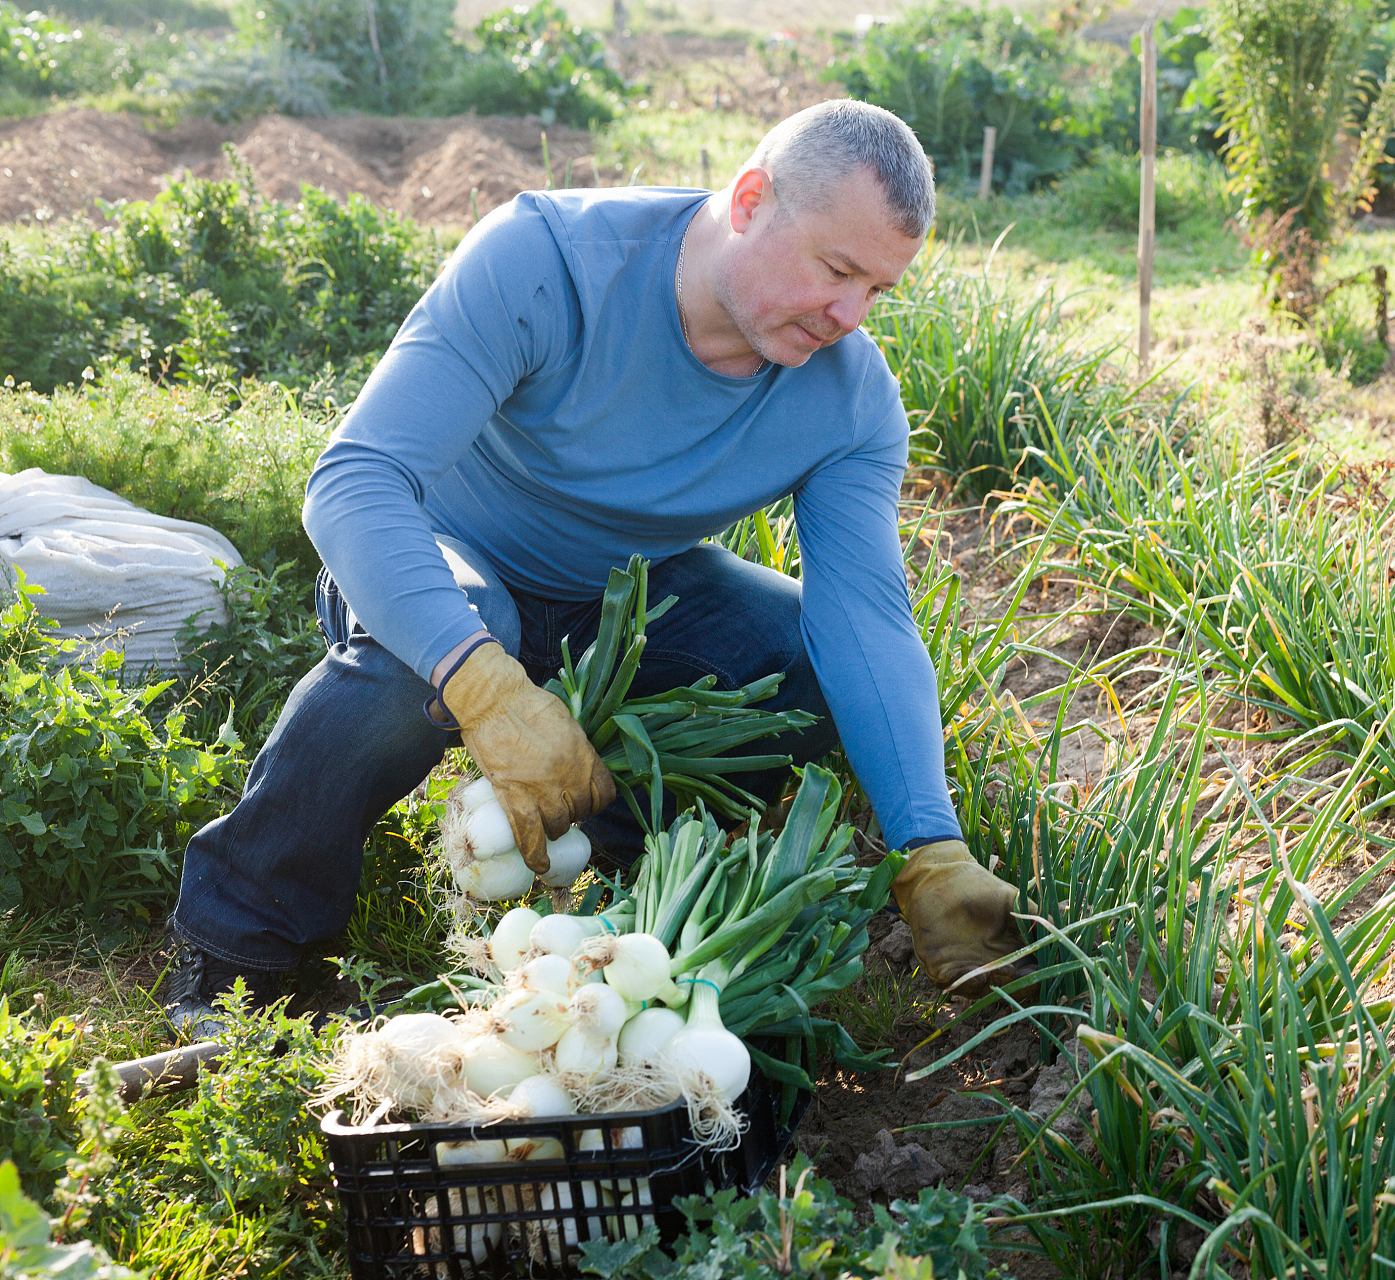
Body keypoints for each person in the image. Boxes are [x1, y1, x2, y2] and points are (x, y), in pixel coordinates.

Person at [164, 99, 1028, 1036]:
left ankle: (598, 852)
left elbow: (865, 616)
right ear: (749, 201)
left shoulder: (848, 400)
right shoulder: (546, 261)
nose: (848, 317)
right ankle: (240, 945)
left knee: (806, 664)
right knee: (424, 658)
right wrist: (484, 685)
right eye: (837, 270)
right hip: (447, 561)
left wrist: (929, 841)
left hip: (621, 598)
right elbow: (355, 481)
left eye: (877, 292)